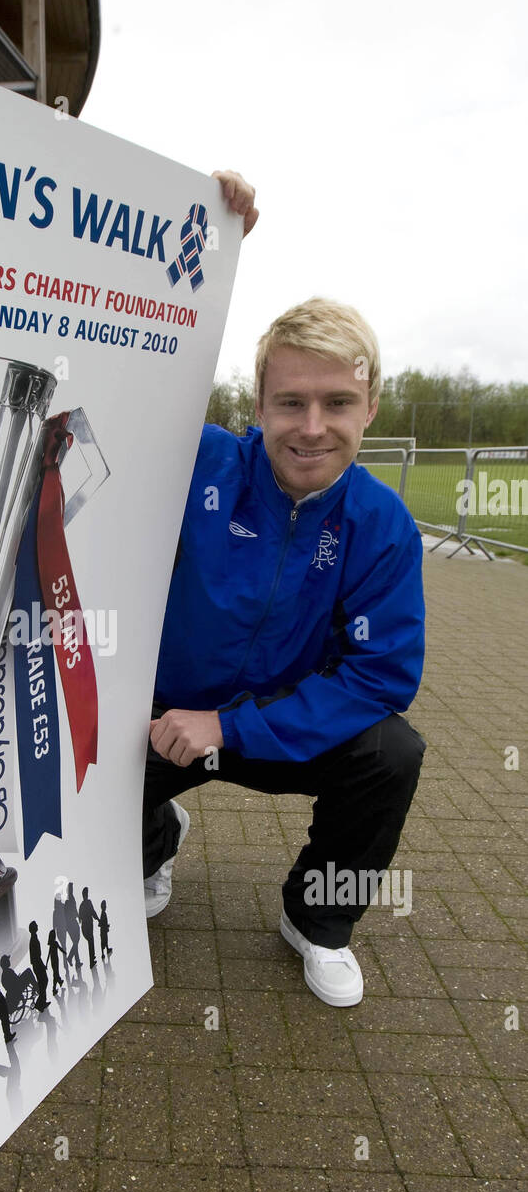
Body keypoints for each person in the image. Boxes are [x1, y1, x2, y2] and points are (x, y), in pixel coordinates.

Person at [144, 173, 425, 1010]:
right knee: (95, 799)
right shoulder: (195, 462)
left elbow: (379, 677)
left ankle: (318, 922)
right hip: (167, 722)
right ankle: (154, 838)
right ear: (256, 405)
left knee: (390, 755)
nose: (311, 426)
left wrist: (232, 725)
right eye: (290, 402)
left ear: (370, 406)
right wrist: (194, 242)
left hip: (271, 729)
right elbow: (123, 364)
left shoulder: (382, 524)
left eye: (336, 402)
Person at [29, 920, 50, 1011]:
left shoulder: (34, 938)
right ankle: (40, 1003)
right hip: (37, 964)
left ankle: (42, 1003)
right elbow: (36, 955)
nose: (38, 926)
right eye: (36, 925)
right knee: (44, 981)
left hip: (37, 964)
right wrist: (42, 965)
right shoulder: (33, 939)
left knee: (43, 982)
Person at [77, 887, 100, 969]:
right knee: (91, 942)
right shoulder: (88, 903)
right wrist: (98, 919)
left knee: (91, 942)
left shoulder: (81, 905)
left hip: (85, 928)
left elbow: (80, 918)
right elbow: (93, 912)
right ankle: (91, 961)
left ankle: (92, 959)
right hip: (88, 927)